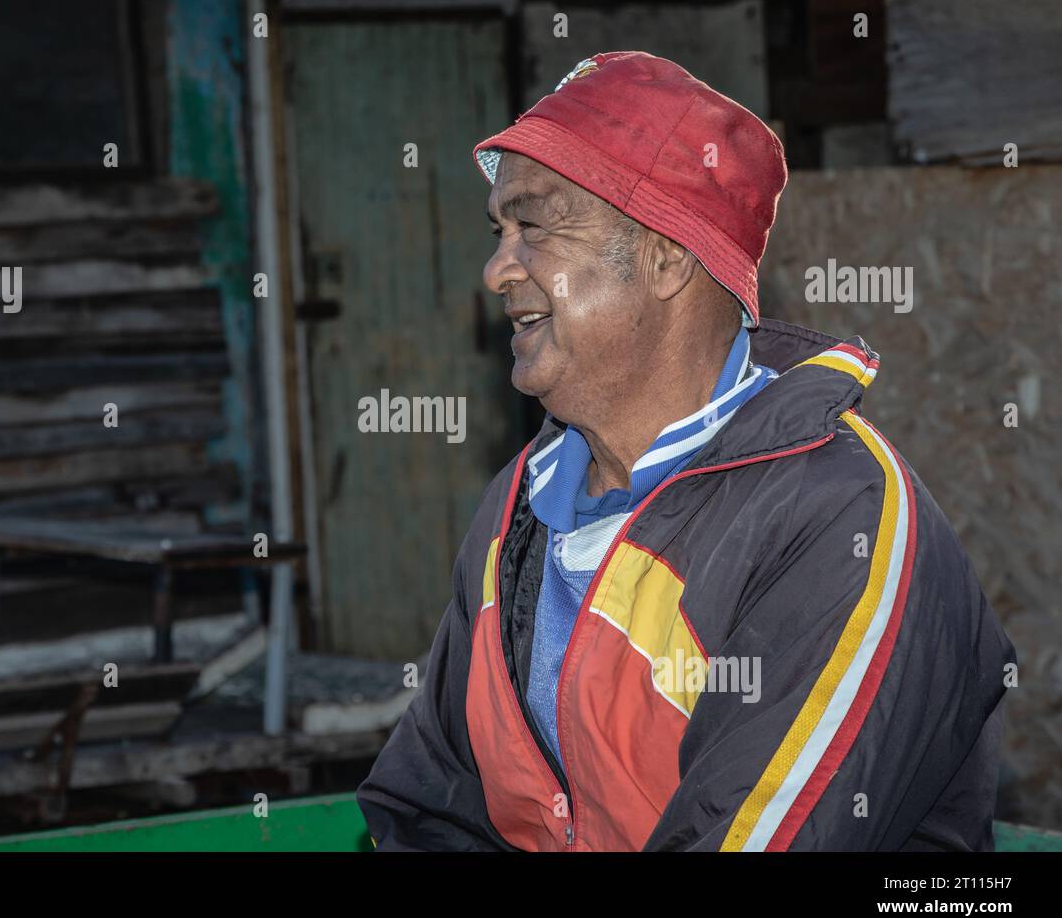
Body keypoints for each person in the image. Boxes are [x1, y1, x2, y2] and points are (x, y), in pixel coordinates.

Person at [356, 51, 1016, 851]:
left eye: (533, 226)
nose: (498, 269)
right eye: (499, 231)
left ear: (667, 256)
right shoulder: (519, 506)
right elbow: (426, 809)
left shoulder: (839, 520)